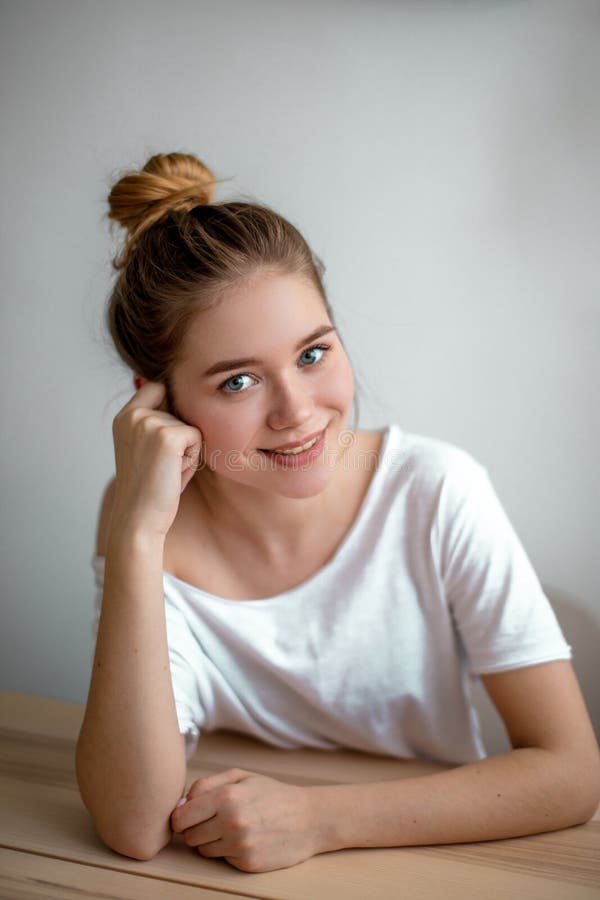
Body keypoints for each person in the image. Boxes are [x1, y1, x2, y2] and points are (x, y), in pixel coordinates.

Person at [76, 151, 600, 874]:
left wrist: (317, 818)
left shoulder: (436, 492)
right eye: (238, 381)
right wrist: (136, 534)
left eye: (313, 354)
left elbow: (572, 775)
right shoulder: (145, 523)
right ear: (158, 403)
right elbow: (133, 824)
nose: (297, 411)